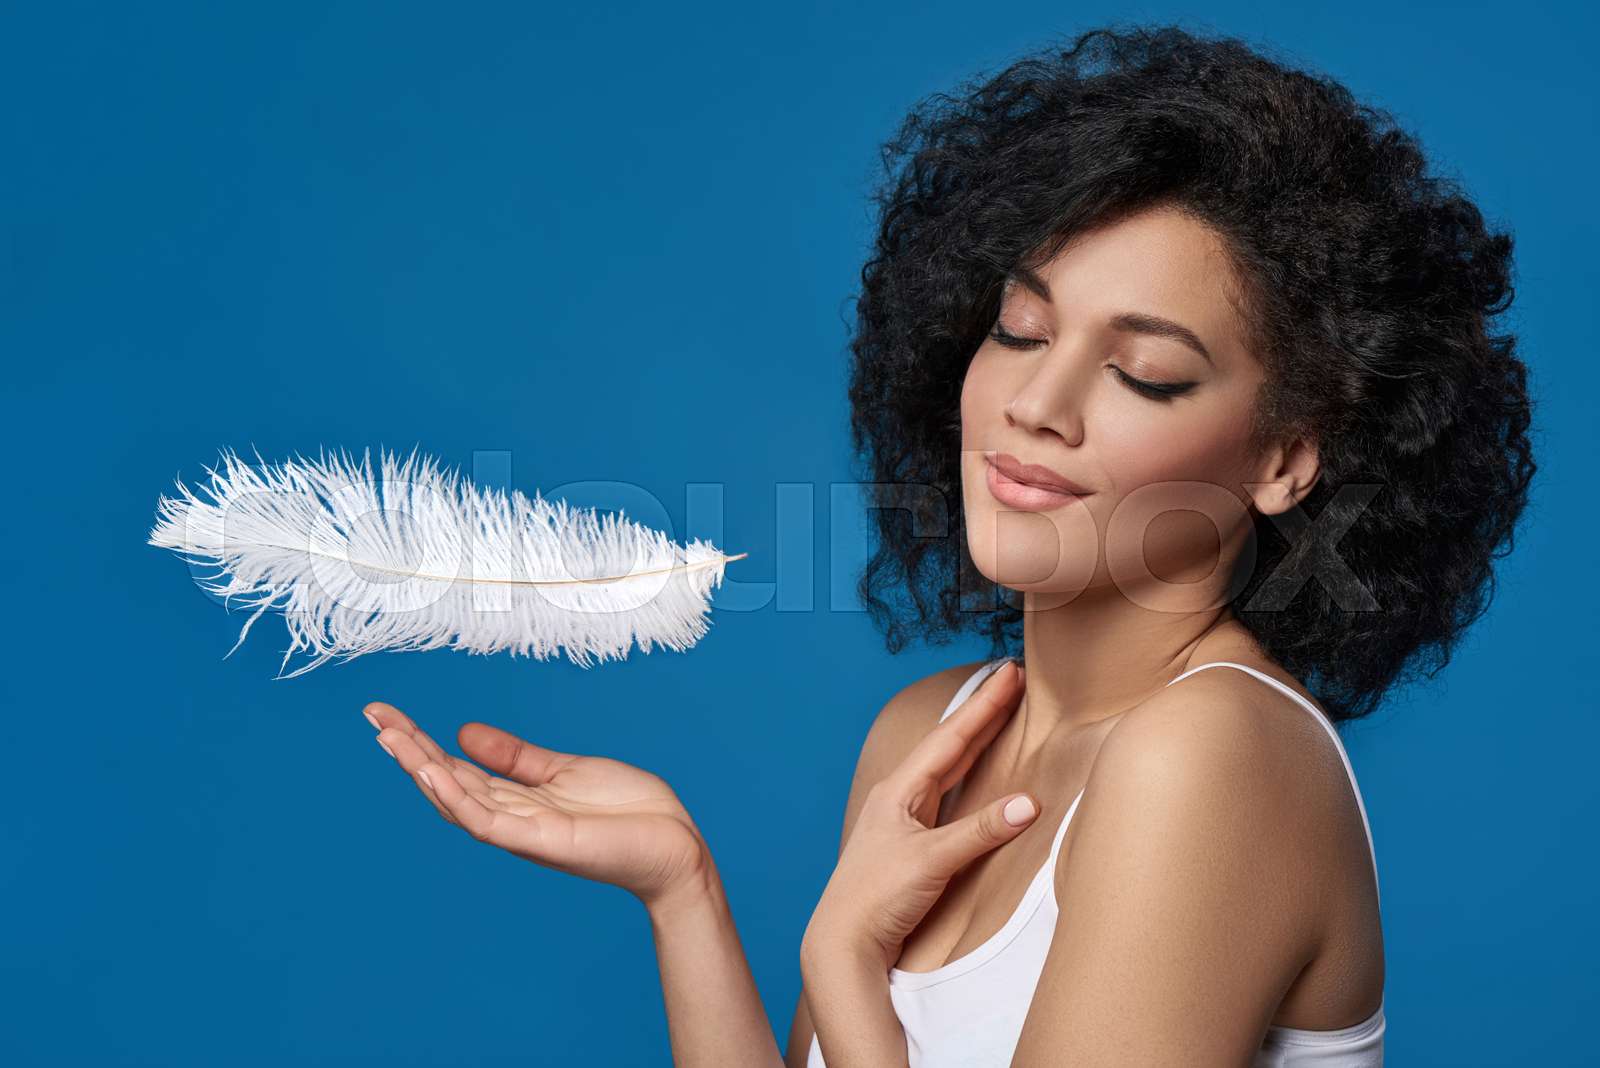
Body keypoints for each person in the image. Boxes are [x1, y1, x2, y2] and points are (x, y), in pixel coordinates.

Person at [362, 23, 1534, 1067]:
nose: (1040, 403)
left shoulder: (1213, 756)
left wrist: (840, 970)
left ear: (1285, 458)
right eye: (1020, 331)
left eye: (1144, 373)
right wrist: (684, 893)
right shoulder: (927, 734)